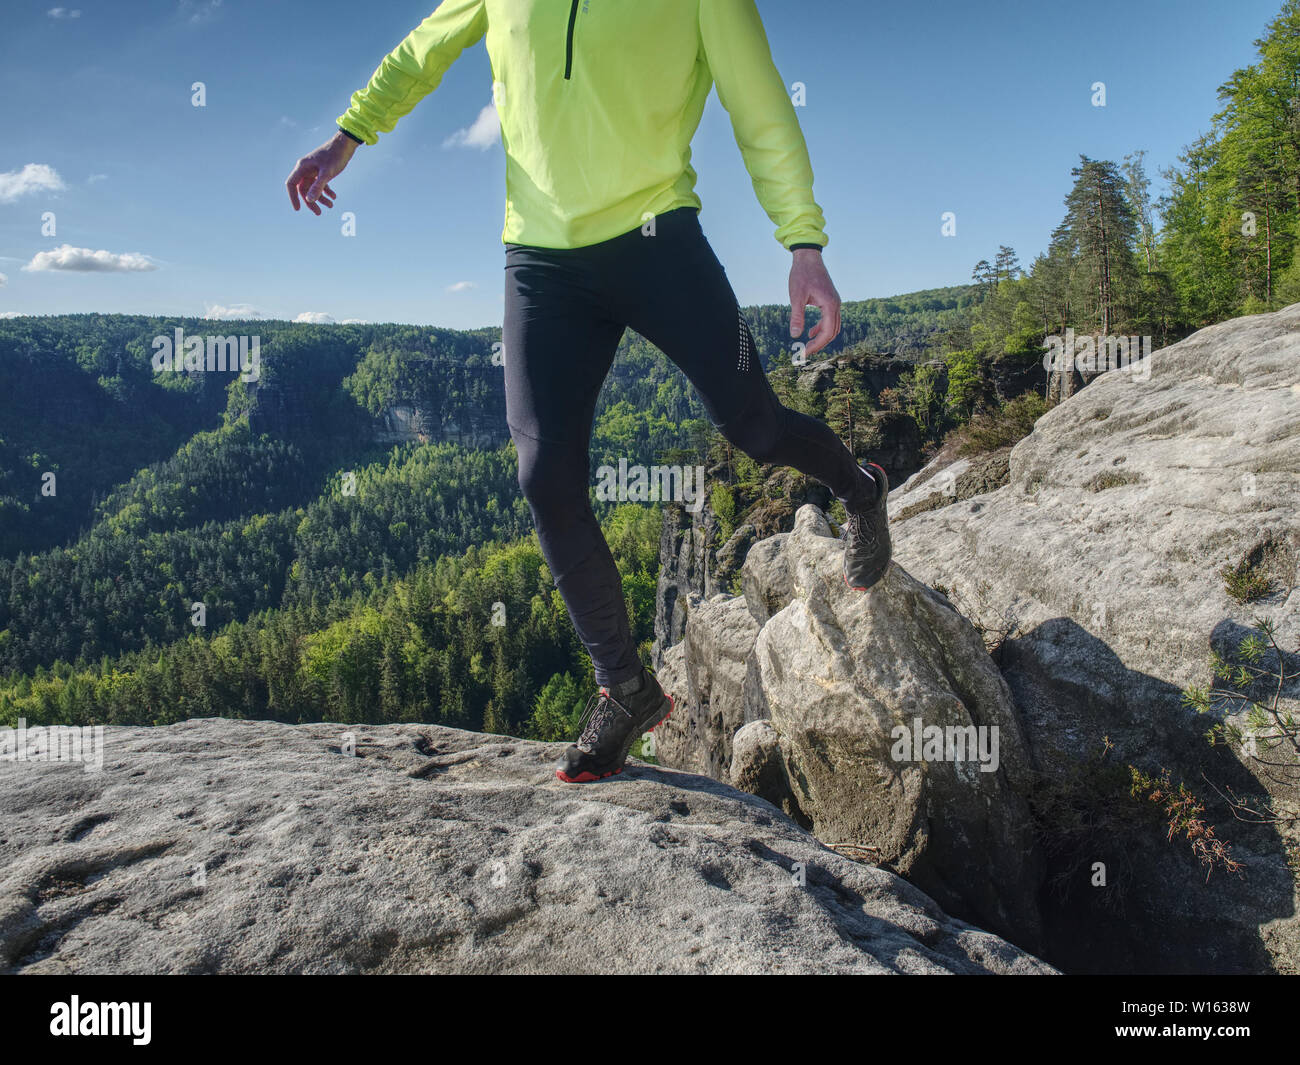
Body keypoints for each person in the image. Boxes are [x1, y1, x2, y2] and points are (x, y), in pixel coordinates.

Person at [285, 0, 891, 784]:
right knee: (545, 476)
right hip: (539, 261)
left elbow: (760, 103)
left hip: (658, 241)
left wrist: (802, 242)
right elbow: (422, 51)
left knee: (758, 425)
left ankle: (860, 488)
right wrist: (348, 135)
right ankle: (626, 685)